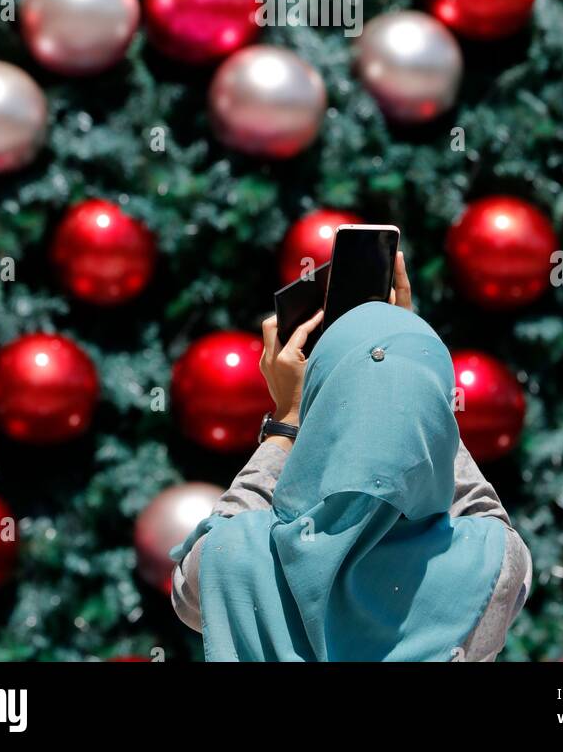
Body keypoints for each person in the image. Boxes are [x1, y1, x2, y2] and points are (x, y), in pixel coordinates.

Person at [171, 253, 531, 662]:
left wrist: (287, 420)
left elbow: (203, 565)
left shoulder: (229, 559)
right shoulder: (489, 567)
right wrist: (412, 366)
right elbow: (483, 513)